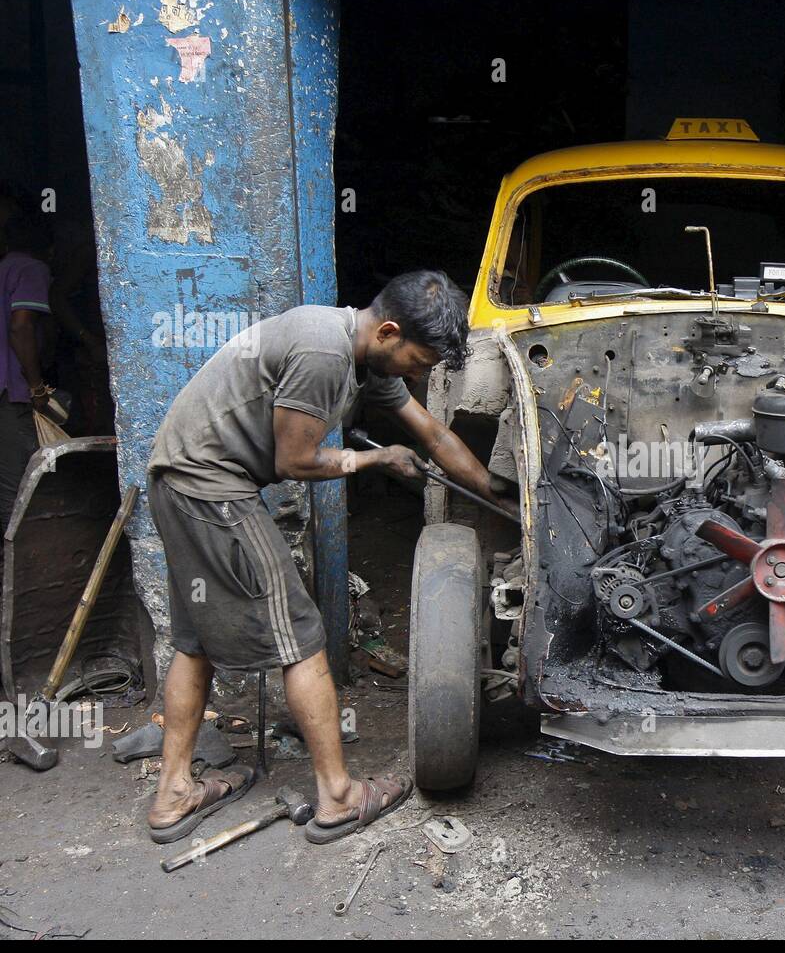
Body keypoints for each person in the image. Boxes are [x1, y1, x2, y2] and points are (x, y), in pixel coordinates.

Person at [145, 270, 512, 844]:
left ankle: (173, 794)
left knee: (194, 641)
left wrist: (501, 493)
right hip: (209, 487)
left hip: (181, 479)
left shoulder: (369, 359)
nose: (421, 376)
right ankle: (339, 796)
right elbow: (296, 462)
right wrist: (379, 460)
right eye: (419, 361)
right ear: (389, 331)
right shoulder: (322, 351)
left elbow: (433, 437)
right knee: (302, 633)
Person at [0, 211, 54, 536]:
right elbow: (21, 327)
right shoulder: (32, 269)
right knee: (17, 491)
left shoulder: (4, 267)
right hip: (12, 393)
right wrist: (36, 387)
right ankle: (17, 577)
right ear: (49, 248)